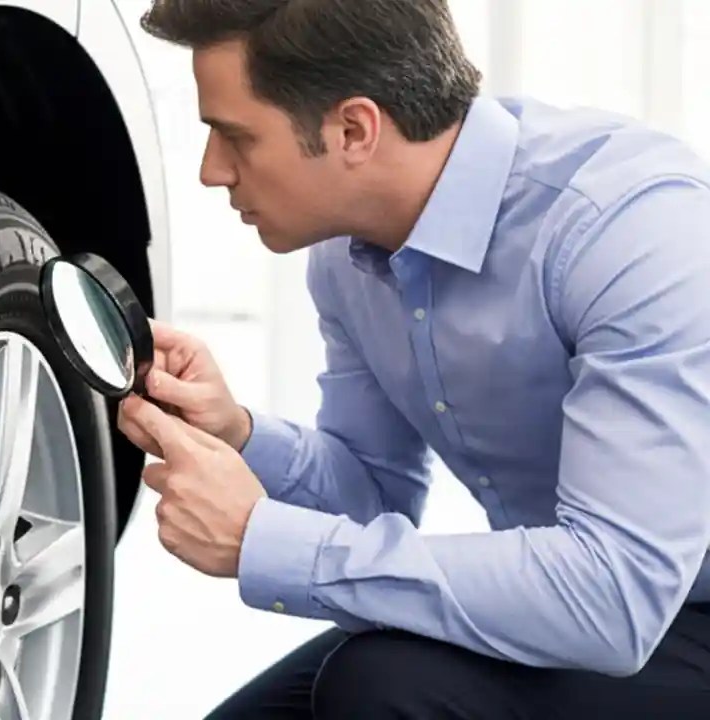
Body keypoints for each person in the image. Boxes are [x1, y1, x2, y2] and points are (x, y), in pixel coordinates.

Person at [117, 1, 710, 717]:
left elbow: (614, 596)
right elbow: (373, 498)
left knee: (380, 684)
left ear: (353, 129)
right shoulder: (346, 256)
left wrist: (258, 538)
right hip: (592, 605)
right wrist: (236, 432)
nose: (212, 172)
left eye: (236, 137)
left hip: (654, 605)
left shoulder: (629, 228)